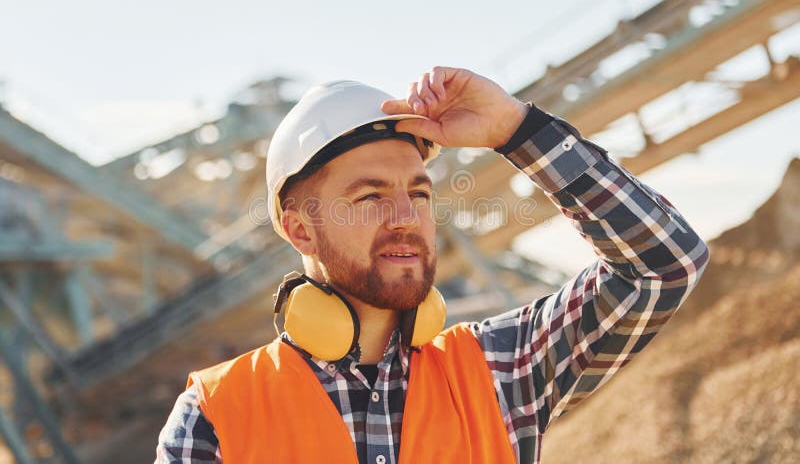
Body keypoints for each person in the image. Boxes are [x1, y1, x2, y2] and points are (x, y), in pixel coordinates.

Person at [155, 67, 709, 463]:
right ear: (300, 228)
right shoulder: (216, 416)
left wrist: (518, 130)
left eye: (418, 194)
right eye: (370, 196)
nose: (406, 218)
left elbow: (665, 265)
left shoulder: (502, 372)